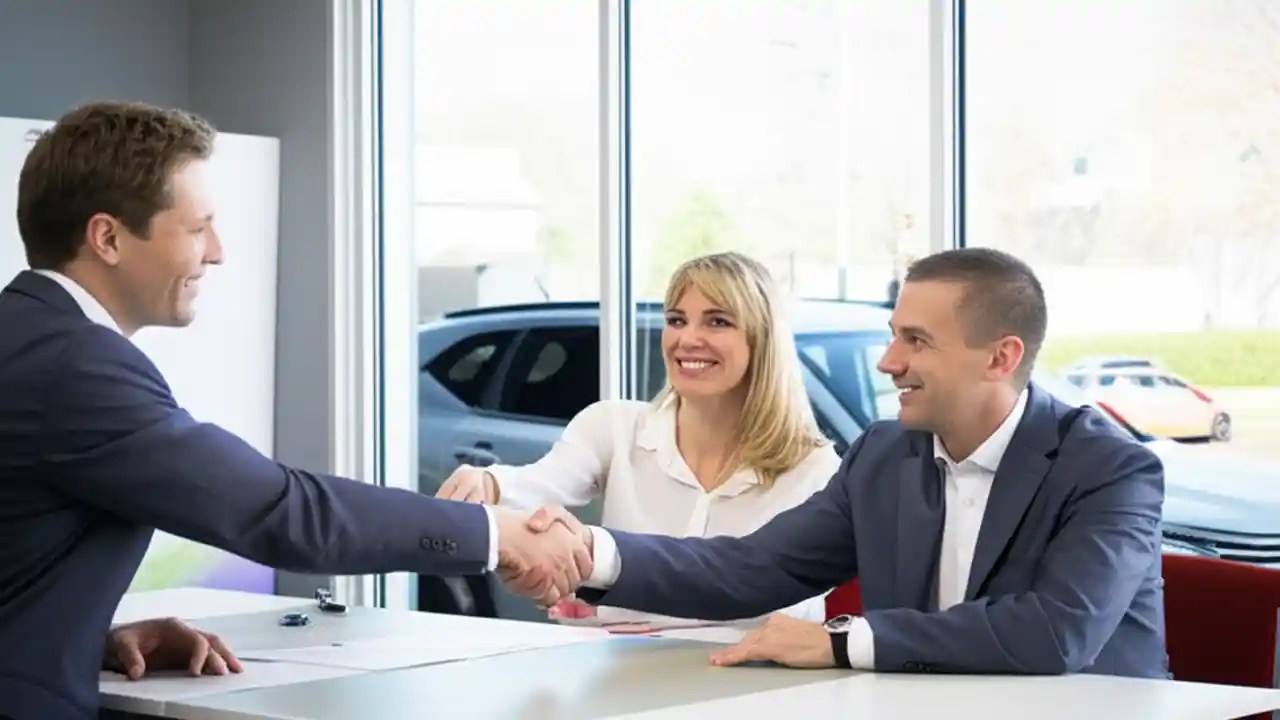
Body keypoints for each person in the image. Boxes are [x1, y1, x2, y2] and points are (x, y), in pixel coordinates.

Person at [0, 101, 588, 720]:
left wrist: (88, 637)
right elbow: (281, 512)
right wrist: (497, 534)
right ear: (109, 237)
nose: (218, 252)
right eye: (197, 228)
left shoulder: (27, 337)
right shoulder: (75, 365)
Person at [509, 247, 1168, 678]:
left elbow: (1056, 633)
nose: (889, 363)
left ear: (1000, 357)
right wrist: (588, 553)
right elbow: (748, 569)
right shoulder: (884, 456)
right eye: (893, 337)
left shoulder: (1110, 469)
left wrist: (839, 642)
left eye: (916, 342)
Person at [437, 252, 842, 628]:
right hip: (624, 684)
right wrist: (490, 484)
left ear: (762, 340)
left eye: (717, 321)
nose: (687, 339)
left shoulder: (816, 469)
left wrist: (587, 570)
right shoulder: (612, 426)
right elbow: (540, 483)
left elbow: (774, 593)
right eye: (677, 319)